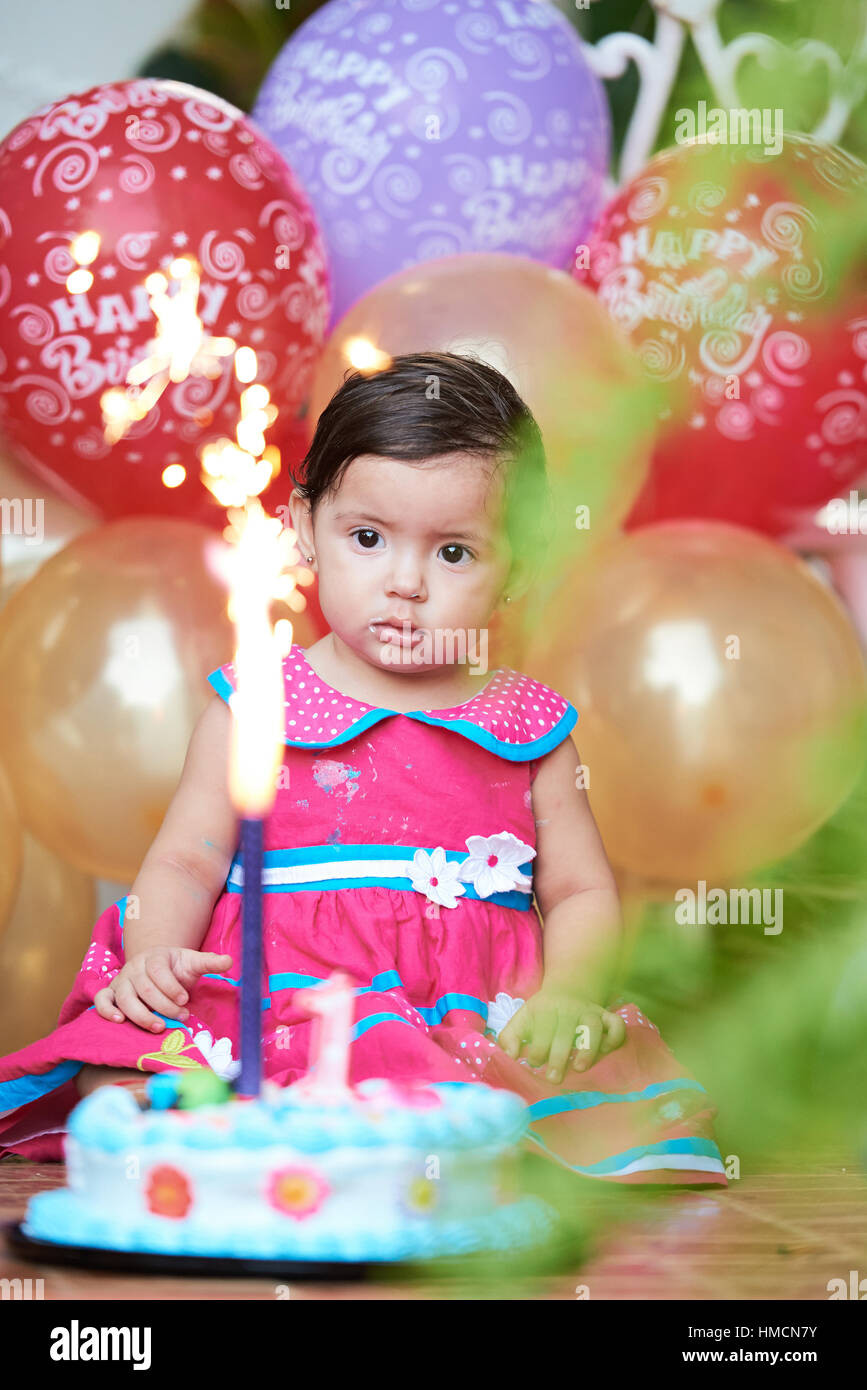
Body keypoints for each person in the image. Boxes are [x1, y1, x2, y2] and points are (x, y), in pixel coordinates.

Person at [0, 351, 727, 1186]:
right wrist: (156, 956)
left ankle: (390, 1143)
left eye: (455, 553)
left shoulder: (527, 724)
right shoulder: (257, 703)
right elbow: (186, 859)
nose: (406, 584)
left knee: (561, 1111)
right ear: (307, 529)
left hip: (463, 1008)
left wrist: (566, 995)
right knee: (119, 1072)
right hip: (274, 995)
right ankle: (242, 1136)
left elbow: (580, 891)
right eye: (369, 539)